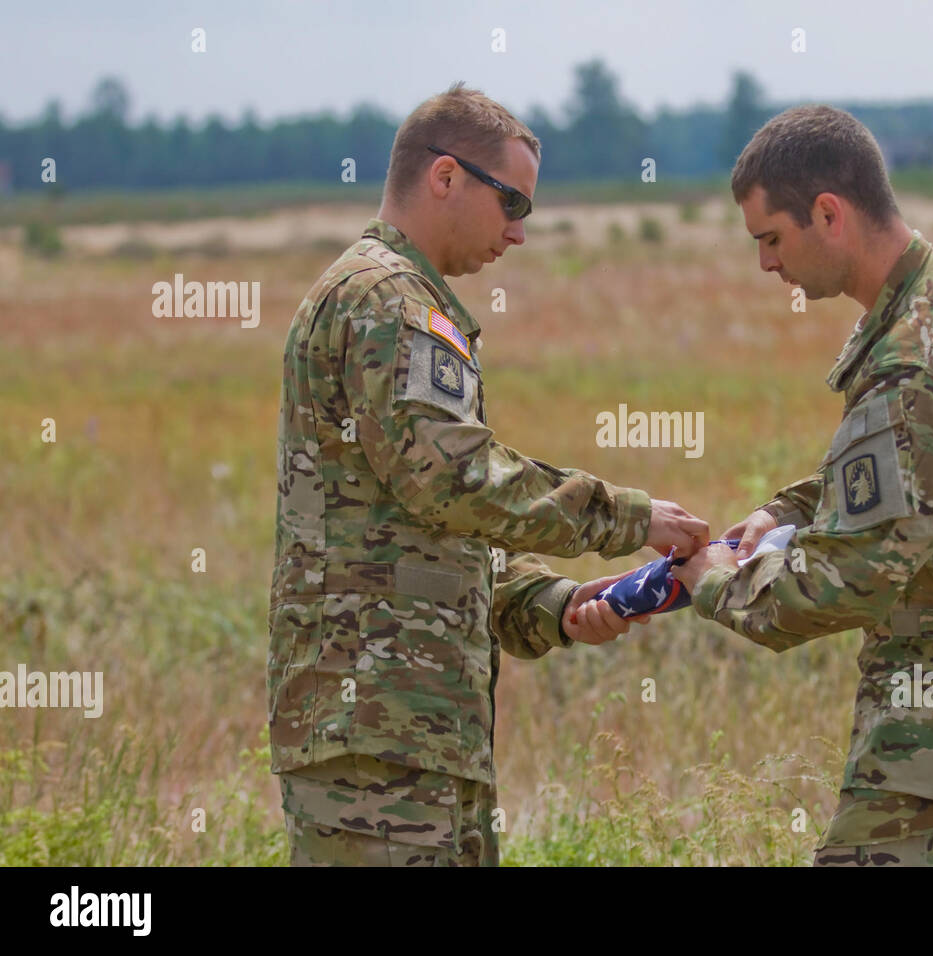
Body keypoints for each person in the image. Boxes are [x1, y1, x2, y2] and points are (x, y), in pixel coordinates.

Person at [267, 82, 708, 866]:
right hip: (379, 734)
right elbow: (455, 481)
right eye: (512, 204)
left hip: (413, 731)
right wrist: (625, 518)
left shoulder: (400, 298)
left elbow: (429, 525)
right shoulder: (387, 300)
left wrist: (556, 605)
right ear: (445, 178)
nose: (519, 234)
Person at [669, 105, 933, 866]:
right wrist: (782, 510)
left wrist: (718, 583)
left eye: (771, 239)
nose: (766, 266)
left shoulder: (916, 359)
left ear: (829, 213)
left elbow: (849, 579)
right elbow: (910, 481)